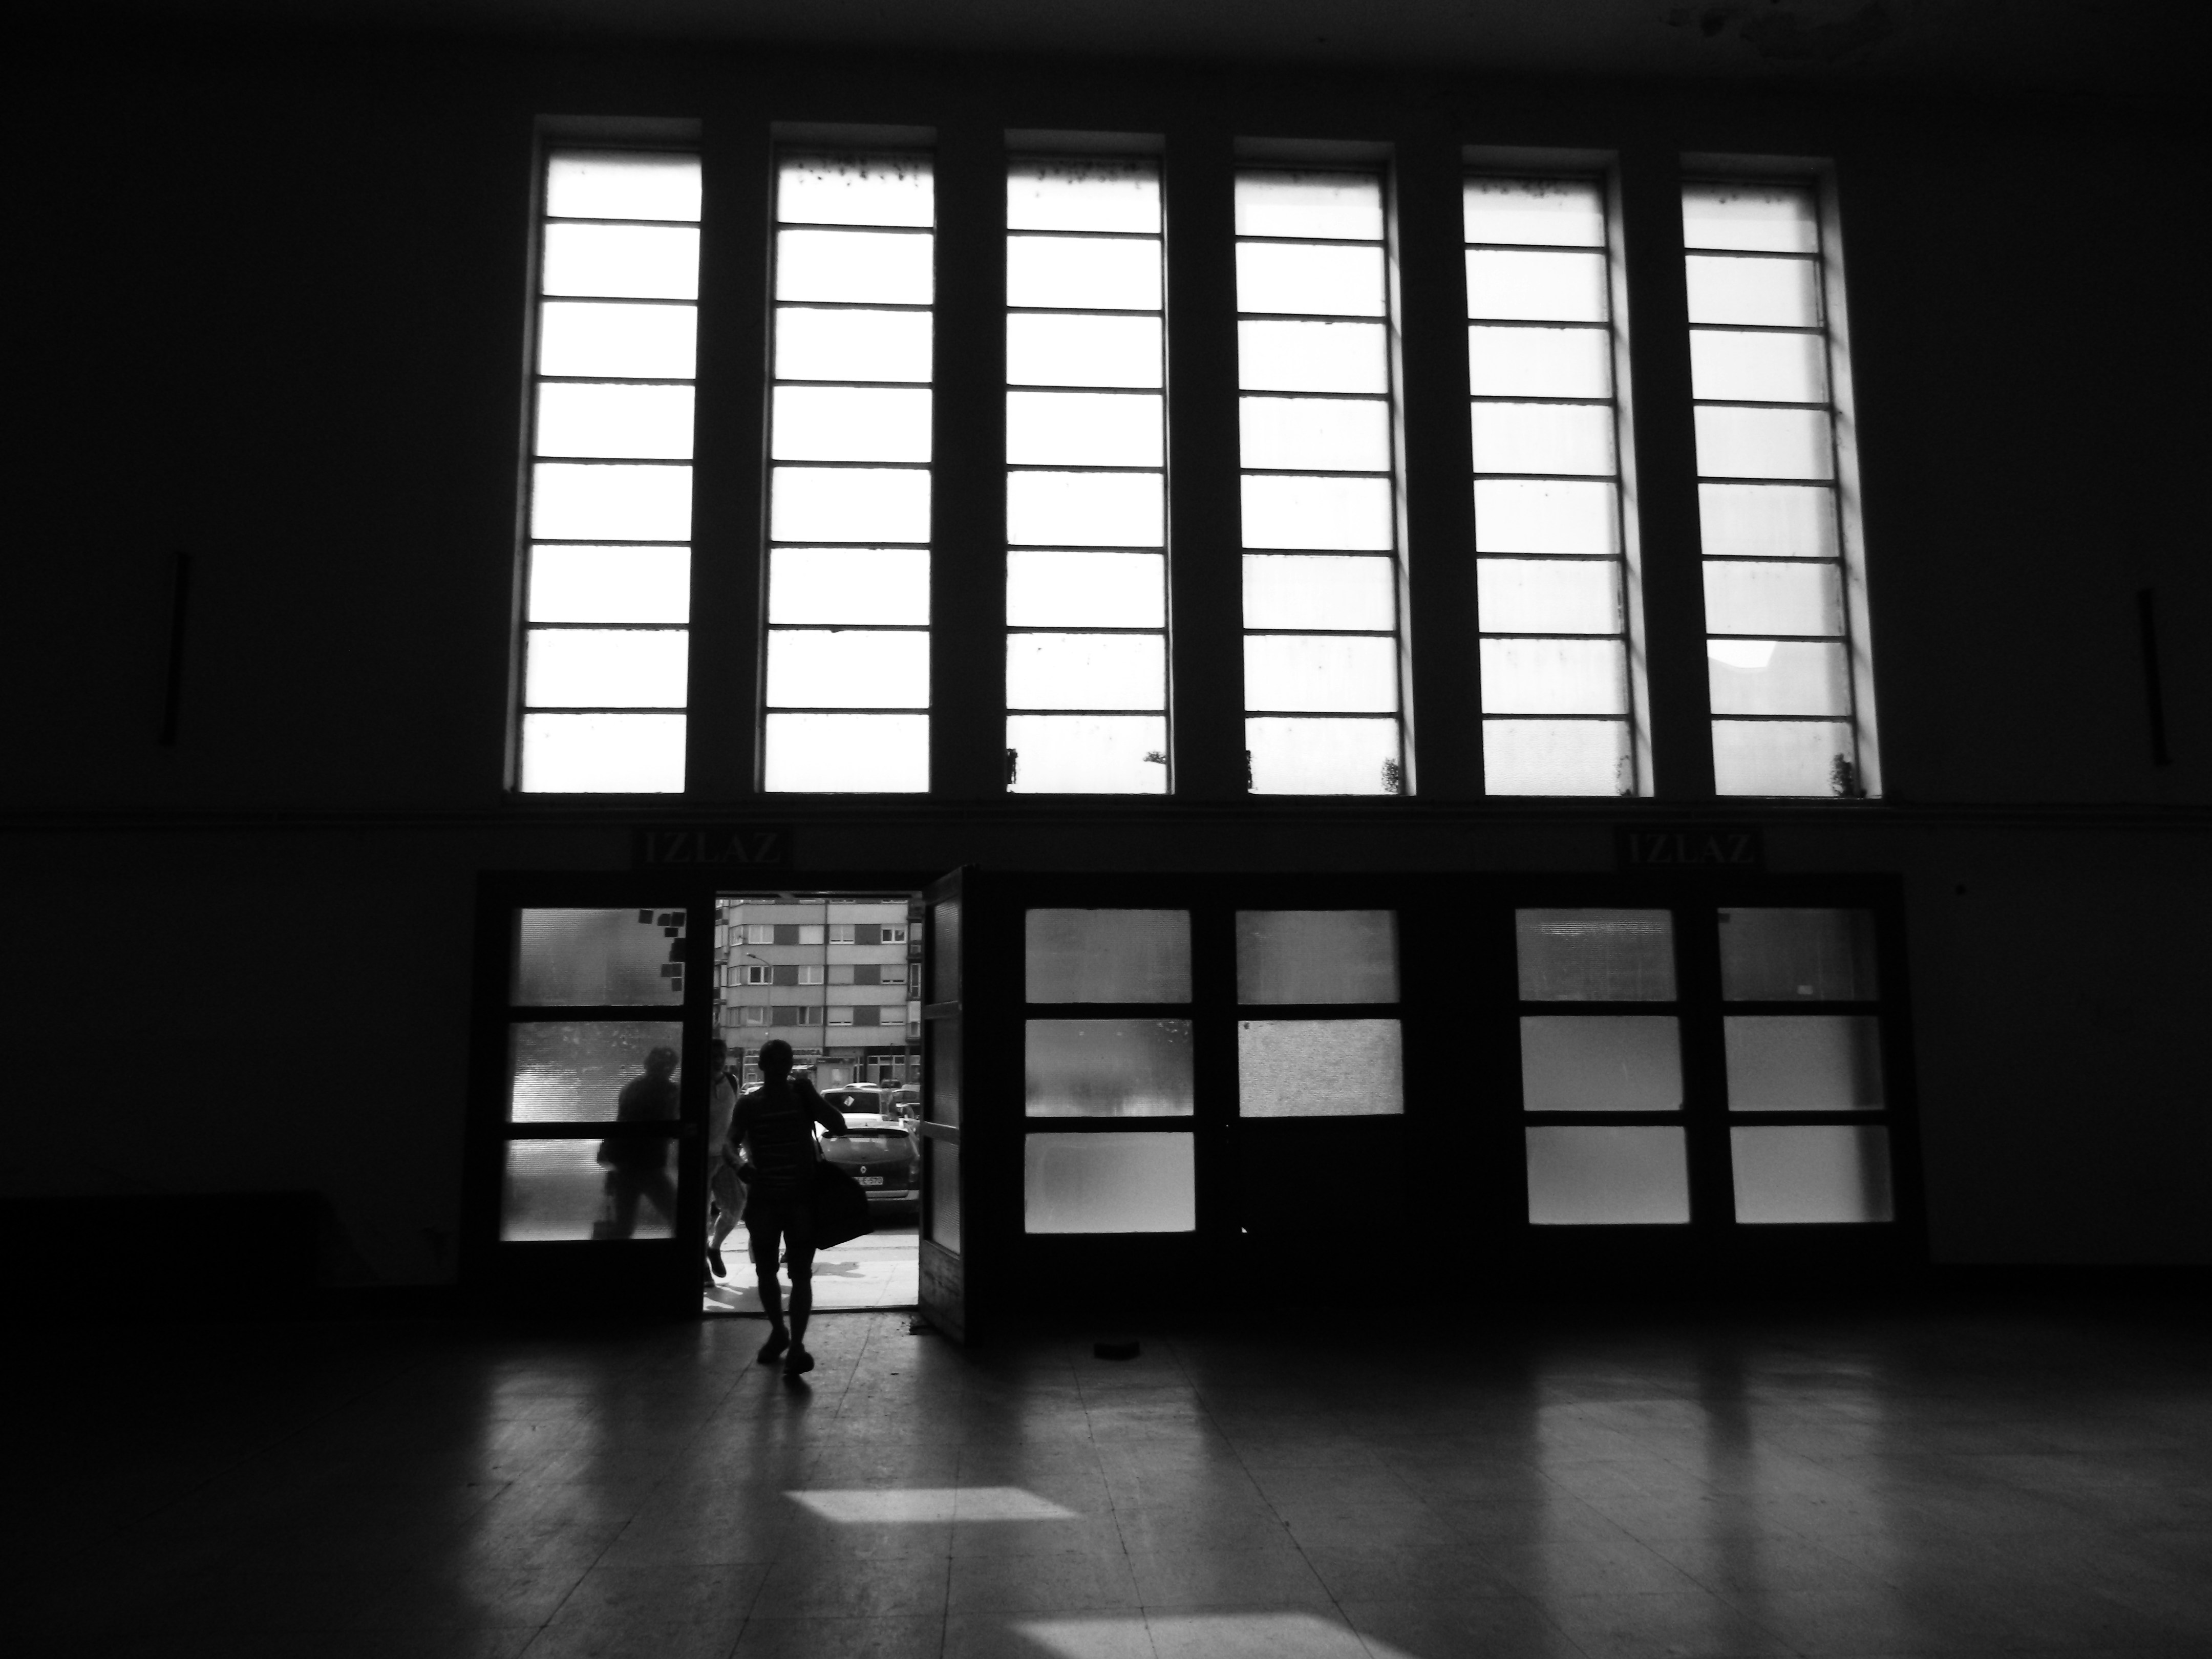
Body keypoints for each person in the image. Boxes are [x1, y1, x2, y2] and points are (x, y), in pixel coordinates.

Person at [729, 1038, 845, 1375]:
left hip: (789, 1200)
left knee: (790, 1274)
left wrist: (812, 1097)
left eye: (785, 1062)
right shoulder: (750, 1105)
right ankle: (786, 1338)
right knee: (779, 1273)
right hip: (780, 1199)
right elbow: (729, 1142)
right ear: (765, 1067)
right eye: (777, 1062)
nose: (781, 1068)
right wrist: (739, 1166)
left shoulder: (796, 1099)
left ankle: (791, 1341)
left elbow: (838, 1126)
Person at [598, 1045, 680, 1240]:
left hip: (626, 1165)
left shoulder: (632, 1088)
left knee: (623, 1226)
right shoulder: (670, 1092)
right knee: (678, 1217)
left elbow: (620, 1124)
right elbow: (672, 1126)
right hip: (650, 1165)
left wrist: (612, 1168)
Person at [705, 1039, 745, 1281]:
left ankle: (714, 1247)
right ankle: (701, 1266)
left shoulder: (732, 1081)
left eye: (721, 1055)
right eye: (713, 1055)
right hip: (700, 1158)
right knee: (698, 1216)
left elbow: (736, 1119)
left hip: (726, 1157)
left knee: (736, 1206)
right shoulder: (693, 1082)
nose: (718, 1059)